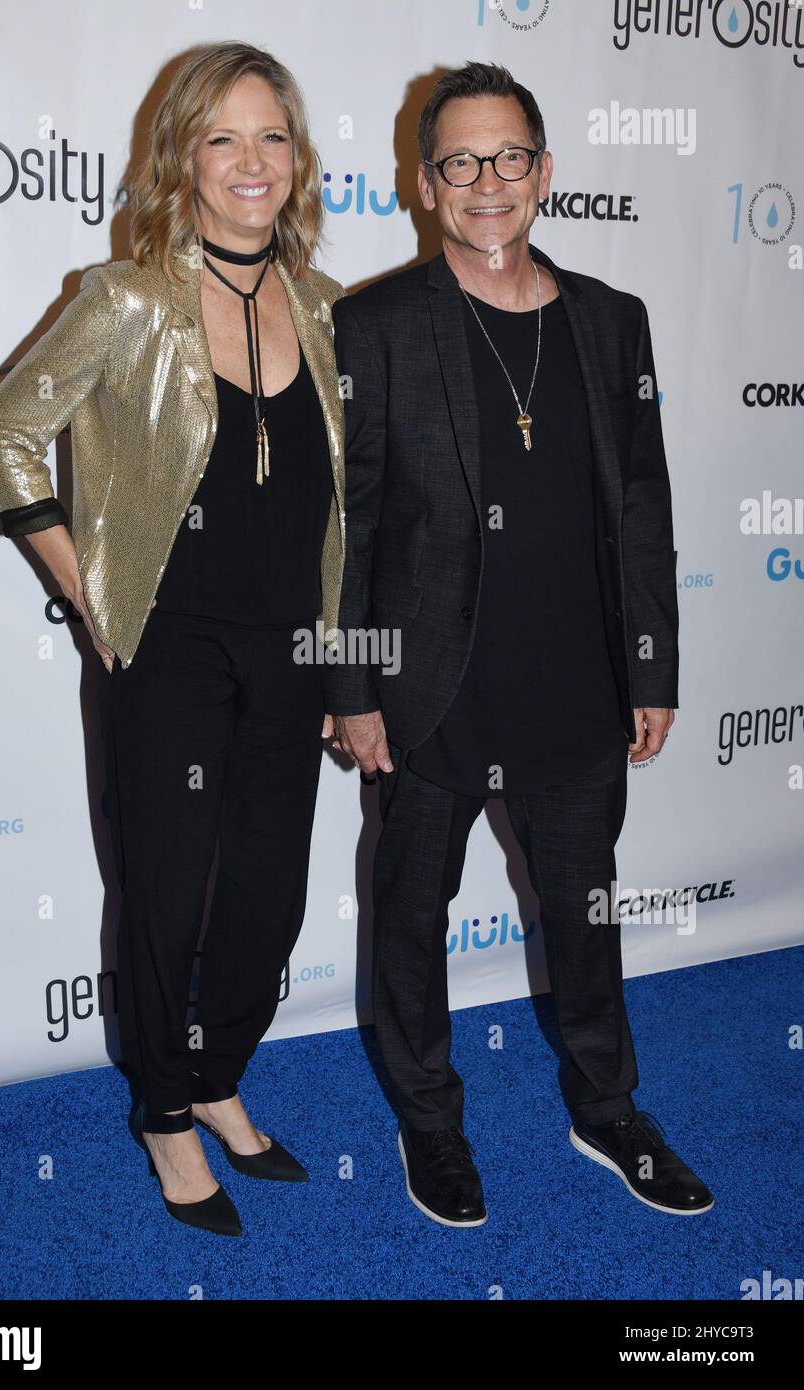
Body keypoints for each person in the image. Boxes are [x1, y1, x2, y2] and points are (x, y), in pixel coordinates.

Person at [0, 41, 347, 1237]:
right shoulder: (124, 300)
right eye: (223, 138)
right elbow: (4, 437)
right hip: (166, 649)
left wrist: (354, 665)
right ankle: (164, 1113)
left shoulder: (333, 310)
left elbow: (361, 502)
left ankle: (221, 1073)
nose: (251, 162)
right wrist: (91, 590)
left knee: (268, 896)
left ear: (298, 157)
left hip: (293, 650)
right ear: (181, 156)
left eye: (271, 136)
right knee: (167, 890)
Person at [327, 61, 713, 1226]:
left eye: (507, 158)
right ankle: (429, 1125)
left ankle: (605, 1109)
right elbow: (343, 525)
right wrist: (351, 687)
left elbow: (640, 505)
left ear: (543, 171)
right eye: (459, 161)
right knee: (409, 916)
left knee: (583, 912)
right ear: (423, 180)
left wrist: (649, 665)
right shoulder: (377, 324)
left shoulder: (610, 321)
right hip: (430, 688)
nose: (485, 182)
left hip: (574, 684)